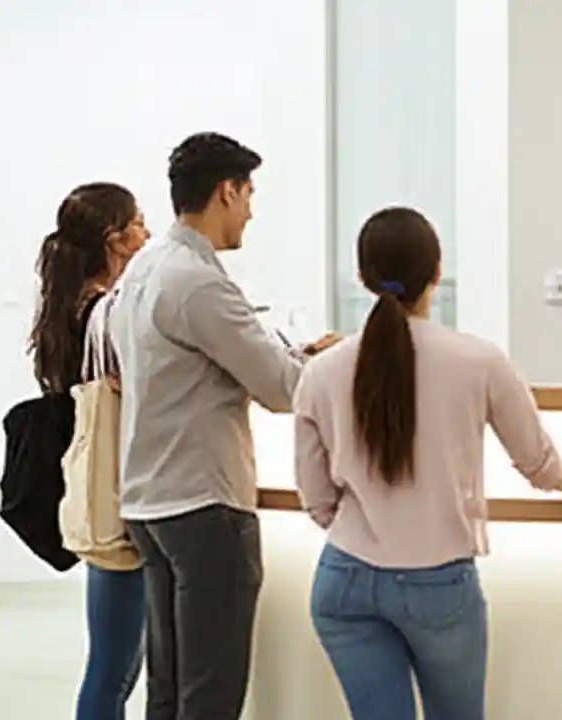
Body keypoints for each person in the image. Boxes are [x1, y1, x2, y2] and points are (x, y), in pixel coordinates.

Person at [291, 206, 562, 720]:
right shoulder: (479, 361)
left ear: (362, 278)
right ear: (438, 274)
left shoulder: (322, 370)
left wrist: (367, 532)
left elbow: (316, 496)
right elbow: (535, 458)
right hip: (438, 583)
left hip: (343, 580)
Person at [107, 132, 336, 720]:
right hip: (203, 505)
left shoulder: (146, 269)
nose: (252, 210)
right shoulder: (199, 282)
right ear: (226, 192)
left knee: (170, 689)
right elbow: (284, 389)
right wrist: (326, 359)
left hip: (151, 503)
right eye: (249, 193)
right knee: (210, 694)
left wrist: (292, 355)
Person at [27, 182, 150, 720]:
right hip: (119, 497)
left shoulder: (73, 308)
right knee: (113, 669)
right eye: (140, 223)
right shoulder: (106, 314)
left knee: (113, 665)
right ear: (116, 239)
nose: (149, 234)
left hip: (102, 494)